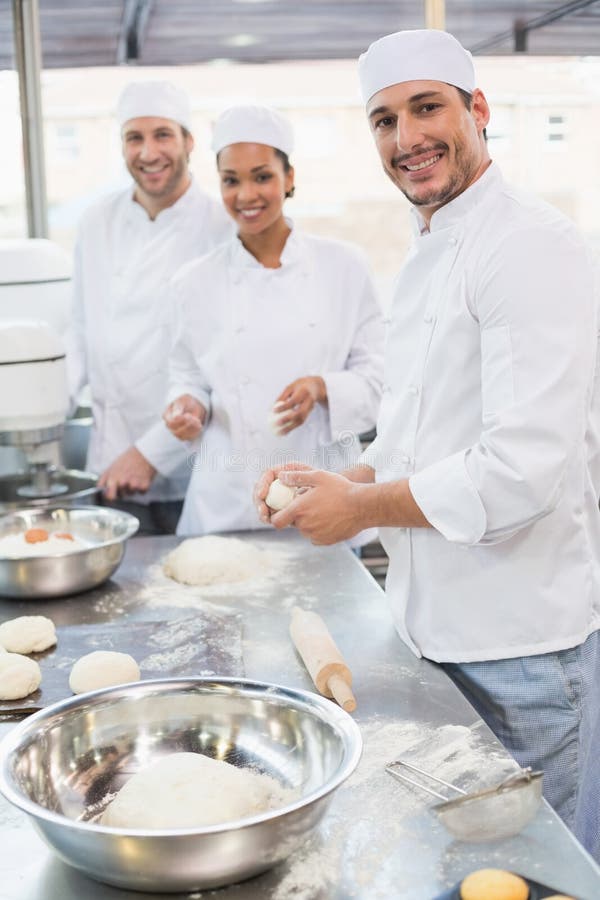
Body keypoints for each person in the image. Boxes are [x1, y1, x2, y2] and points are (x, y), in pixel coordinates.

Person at [255, 30, 600, 860]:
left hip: (520, 649)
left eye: (426, 109)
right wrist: (339, 483)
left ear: (478, 111)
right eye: (384, 120)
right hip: (436, 632)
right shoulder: (432, 241)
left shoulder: (529, 247)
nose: (406, 138)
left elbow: (519, 474)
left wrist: (363, 507)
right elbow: (418, 437)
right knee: (461, 868)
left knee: (528, 874)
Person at [161, 104, 384, 536]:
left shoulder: (344, 267)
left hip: (321, 494)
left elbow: (381, 378)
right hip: (226, 501)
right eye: (231, 180)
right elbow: (186, 375)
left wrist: (322, 388)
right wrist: (187, 405)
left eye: (262, 176)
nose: (246, 195)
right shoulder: (193, 282)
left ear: (290, 177)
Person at [66, 81, 232, 534]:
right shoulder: (96, 221)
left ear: (188, 142)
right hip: (110, 464)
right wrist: (44, 416)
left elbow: (225, 366)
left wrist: (152, 453)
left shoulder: (224, 227)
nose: (148, 151)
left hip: (190, 470)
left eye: (162, 135)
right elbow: (80, 330)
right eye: (134, 138)